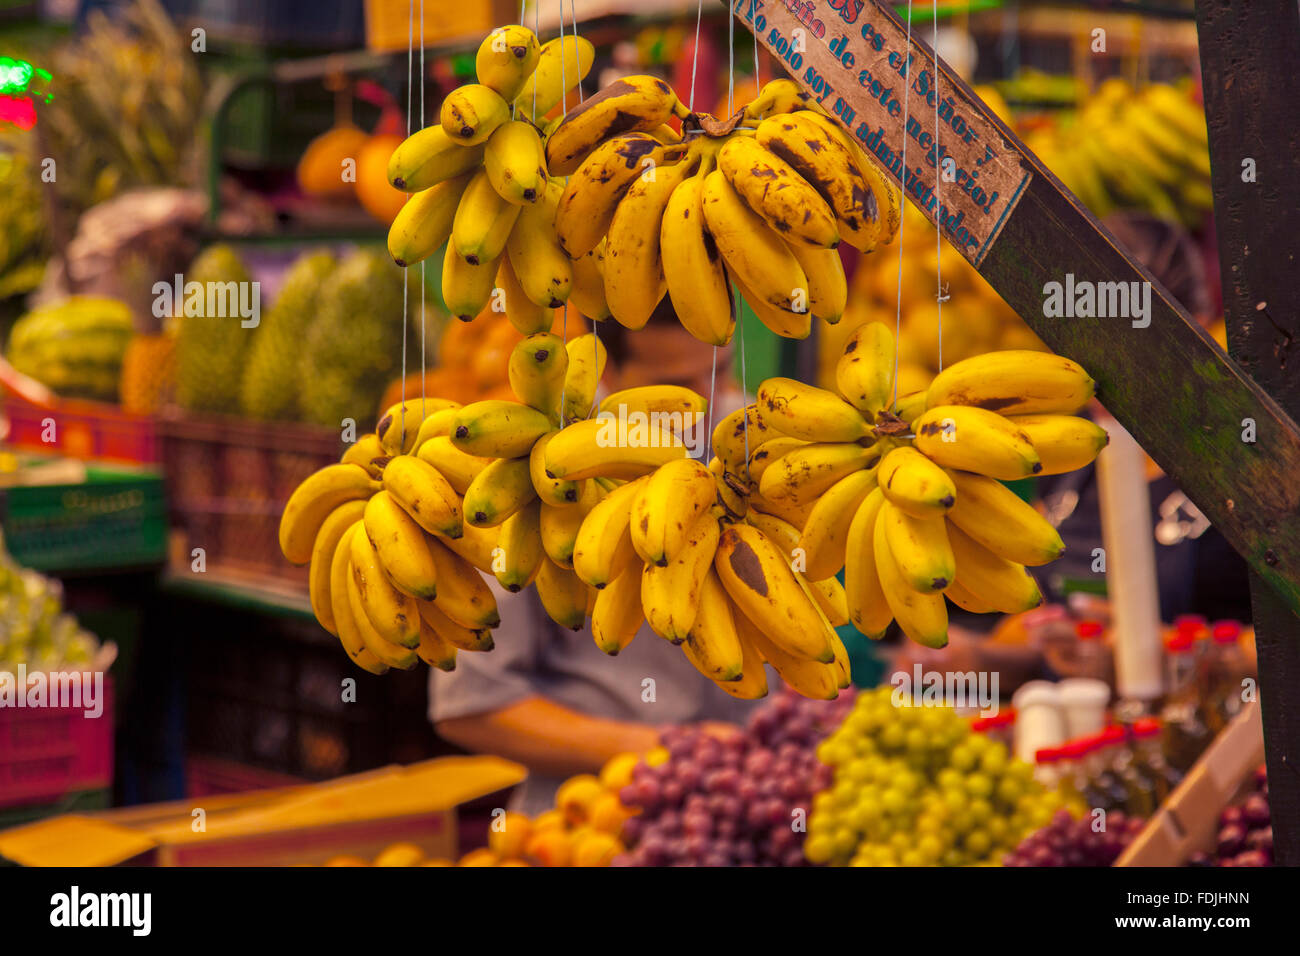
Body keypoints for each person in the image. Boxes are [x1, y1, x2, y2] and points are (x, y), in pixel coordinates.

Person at [430, 301, 756, 815]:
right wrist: (664, 751)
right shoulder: (531, 484)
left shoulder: (759, 448)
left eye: (718, 372)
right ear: (610, 375)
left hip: (756, 809)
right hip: (589, 820)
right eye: (678, 389)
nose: (706, 404)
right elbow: (470, 707)